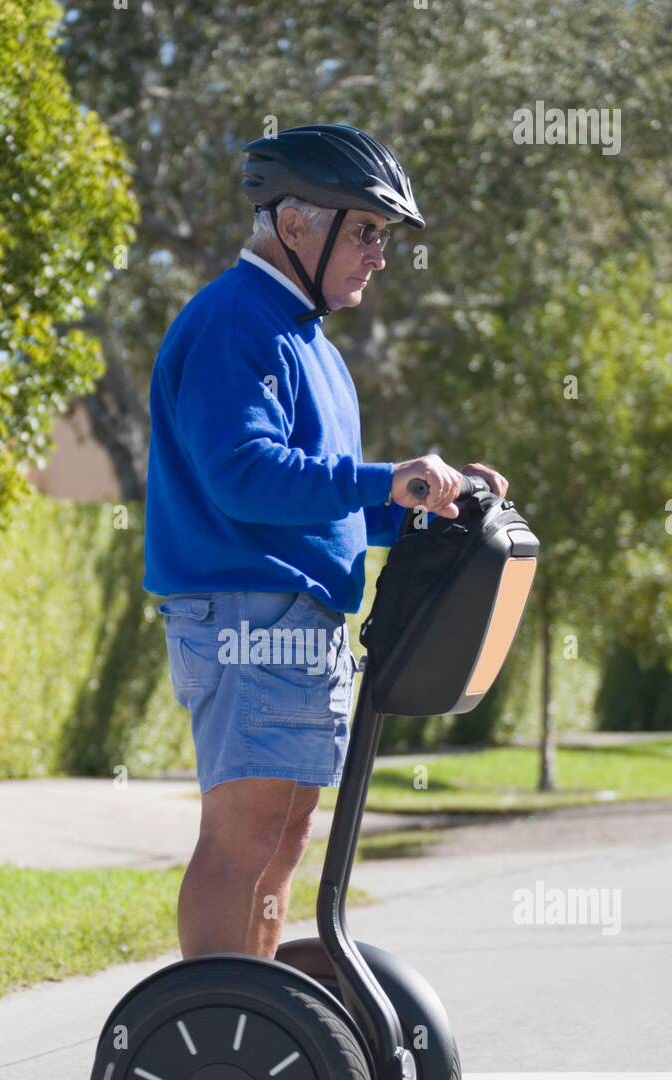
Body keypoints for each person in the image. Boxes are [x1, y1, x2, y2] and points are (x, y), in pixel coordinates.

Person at [143, 123, 508, 960]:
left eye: (383, 237)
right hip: (248, 614)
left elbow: (326, 504)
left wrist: (430, 507)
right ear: (298, 224)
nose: (381, 254)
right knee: (245, 839)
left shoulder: (310, 343)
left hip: (298, 621)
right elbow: (244, 475)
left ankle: (254, 1010)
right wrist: (388, 478)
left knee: (284, 839)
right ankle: (214, 1028)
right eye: (369, 231)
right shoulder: (237, 320)